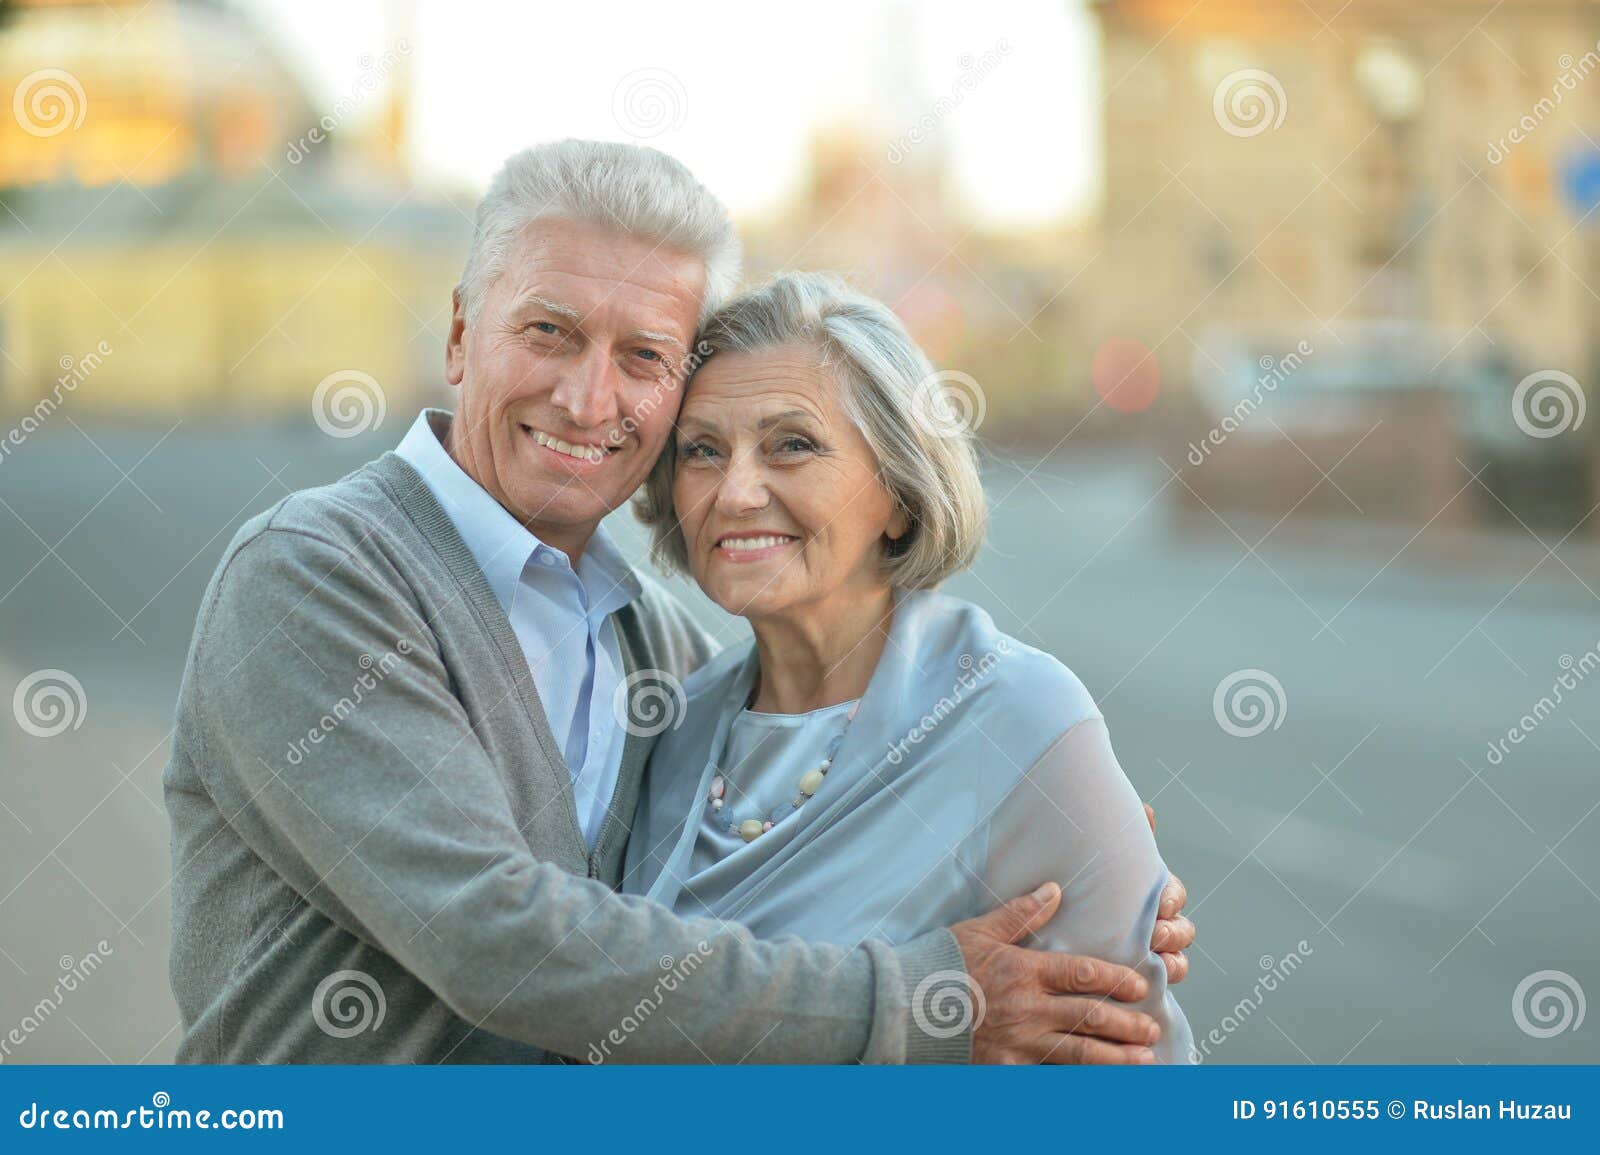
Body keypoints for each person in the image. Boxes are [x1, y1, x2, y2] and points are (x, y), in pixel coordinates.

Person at [164, 139, 1194, 1064]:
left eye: (645, 358)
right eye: (550, 332)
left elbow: (788, 871)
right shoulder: (314, 576)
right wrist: (919, 1001)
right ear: (459, 338)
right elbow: (496, 938)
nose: (588, 398)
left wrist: (1079, 853)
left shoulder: (659, 658)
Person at [623, 272, 1192, 1062]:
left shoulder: (1020, 716)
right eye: (703, 451)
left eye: (793, 443)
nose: (737, 490)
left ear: (897, 489)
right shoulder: (674, 726)